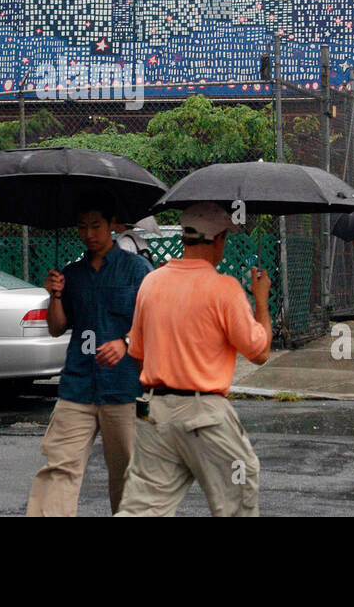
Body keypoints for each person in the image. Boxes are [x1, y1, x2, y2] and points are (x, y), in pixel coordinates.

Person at [114, 202, 271, 517]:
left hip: (154, 412)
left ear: (185, 238)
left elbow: (138, 356)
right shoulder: (224, 289)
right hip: (204, 415)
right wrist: (261, 300)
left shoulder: (152, 283)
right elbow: (259, 352)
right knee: (238, 494)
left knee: (142, 509)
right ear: (218, 240)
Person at [26, 196, 153, 516]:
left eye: (96, 226)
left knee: (128, 475)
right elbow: (57, 328)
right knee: (59, 467)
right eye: (82, 227)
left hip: (123, 387)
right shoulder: (72, 274)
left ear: (113, 225)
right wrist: (54, 294)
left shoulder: (137, 269)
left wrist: (125, 341)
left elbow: (155, 320)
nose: (88, 234)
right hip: (77, 386)